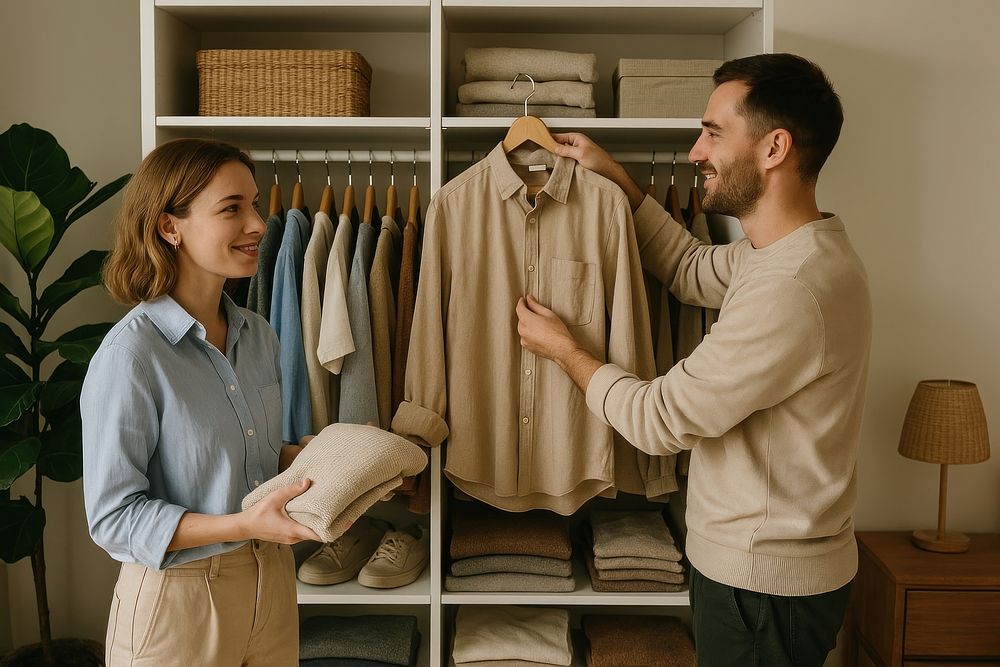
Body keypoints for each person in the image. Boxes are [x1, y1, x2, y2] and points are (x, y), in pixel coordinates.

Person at [516, 53, 871, 666]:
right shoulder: (787, 252)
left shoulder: (792, 288)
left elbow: (658, 421)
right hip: (765, 572)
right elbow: (689, 269)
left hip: (762, 583)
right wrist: (621, 183)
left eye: (712, 132)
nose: (695, 152)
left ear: (774, 147)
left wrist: (564, 350)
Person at [81, 138, 318, 666]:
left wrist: (307, 464)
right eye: (232, 209)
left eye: (254, 204)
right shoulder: (133, 354)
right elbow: (115, 517)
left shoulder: (257, 336)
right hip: (179, 602)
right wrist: (242, 525)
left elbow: (244, 459)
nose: (258, 223)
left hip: (272, 587)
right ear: (170, 226)